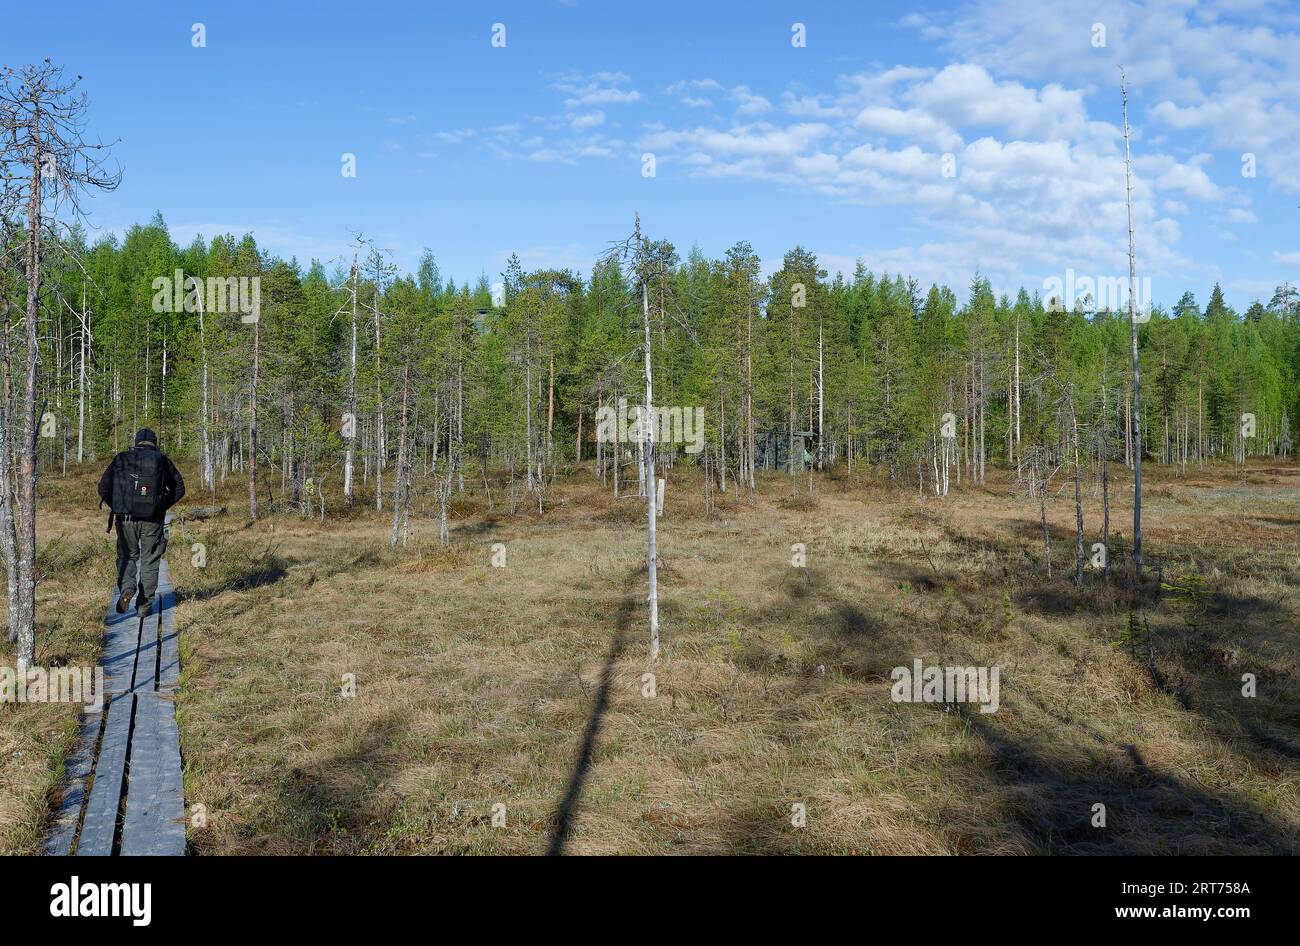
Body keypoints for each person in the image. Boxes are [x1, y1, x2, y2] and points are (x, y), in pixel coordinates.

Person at [97, 428, 186, 617]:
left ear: (136, 442)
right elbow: (179, 488)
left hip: (125, 521)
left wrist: (118, 506)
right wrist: (159, 506)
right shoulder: (161, 459)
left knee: (127, 557)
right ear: (155, 443)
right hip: (152, 521)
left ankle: (127, 588)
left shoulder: (121, 458)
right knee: (150, 561)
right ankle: (144, 607)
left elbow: (103, 488)